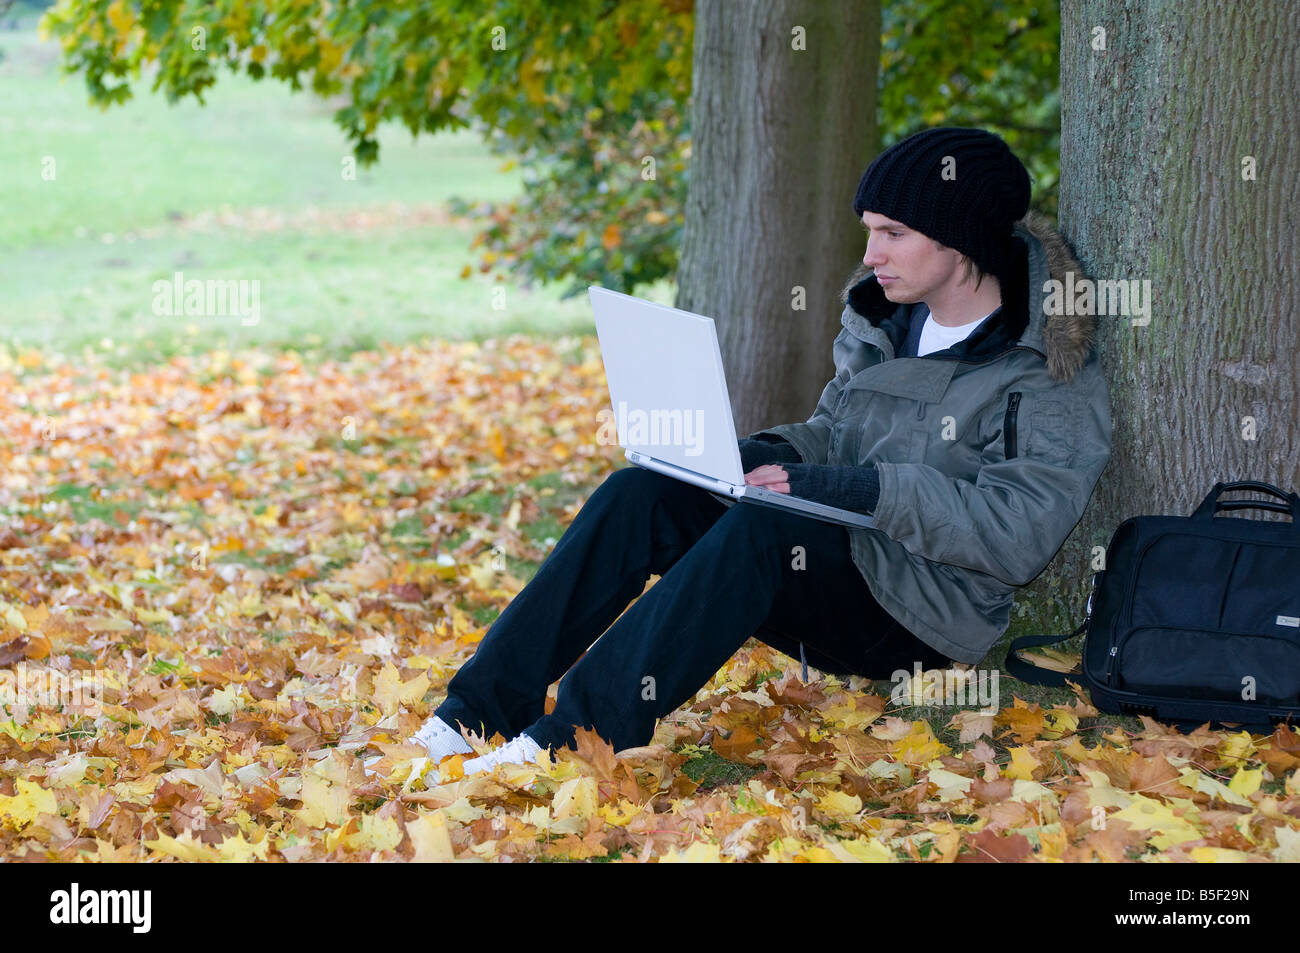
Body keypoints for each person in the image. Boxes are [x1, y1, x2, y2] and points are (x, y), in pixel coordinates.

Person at [389, 126, 1113, 779]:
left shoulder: (1041, 366)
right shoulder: (886, 317)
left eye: (893, 232)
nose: (870, 254)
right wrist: (733, 457)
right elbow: (833, 430)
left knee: (771, 527)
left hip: (923, 611)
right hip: (839, 556)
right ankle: (473, 712)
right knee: (641, 492)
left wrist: (860, 490)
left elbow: (1016, 535)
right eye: (869, 230)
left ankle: (574, 738)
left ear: (961, 241)